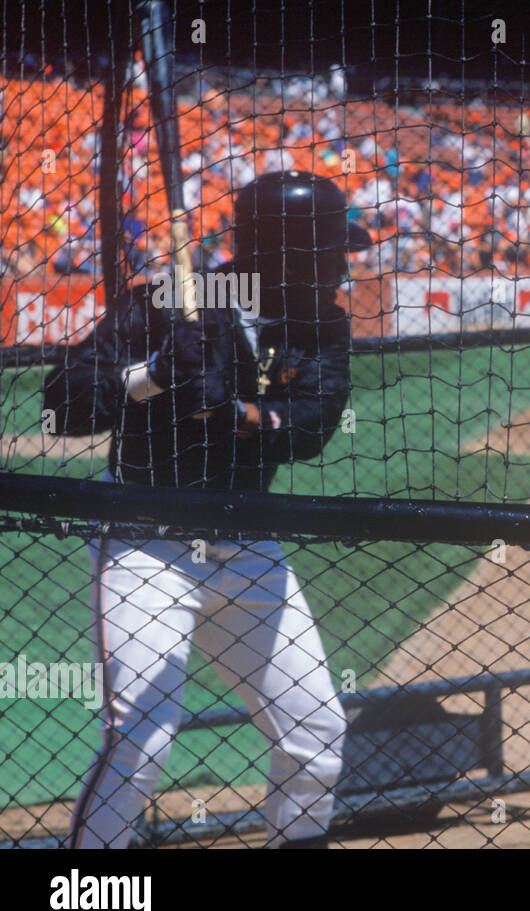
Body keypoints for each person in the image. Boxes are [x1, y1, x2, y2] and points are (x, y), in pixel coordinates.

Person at [44, 170, 371, 848]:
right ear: (284, 254)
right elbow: (59, 404)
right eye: (333, 251)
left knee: (317, 733)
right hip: (146, 545)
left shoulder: (322, 324)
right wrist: (152, 376)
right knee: (142, 737)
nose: (344, 266)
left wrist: (243, 415)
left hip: (248, 544)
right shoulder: (165, 304)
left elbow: (314, 422)